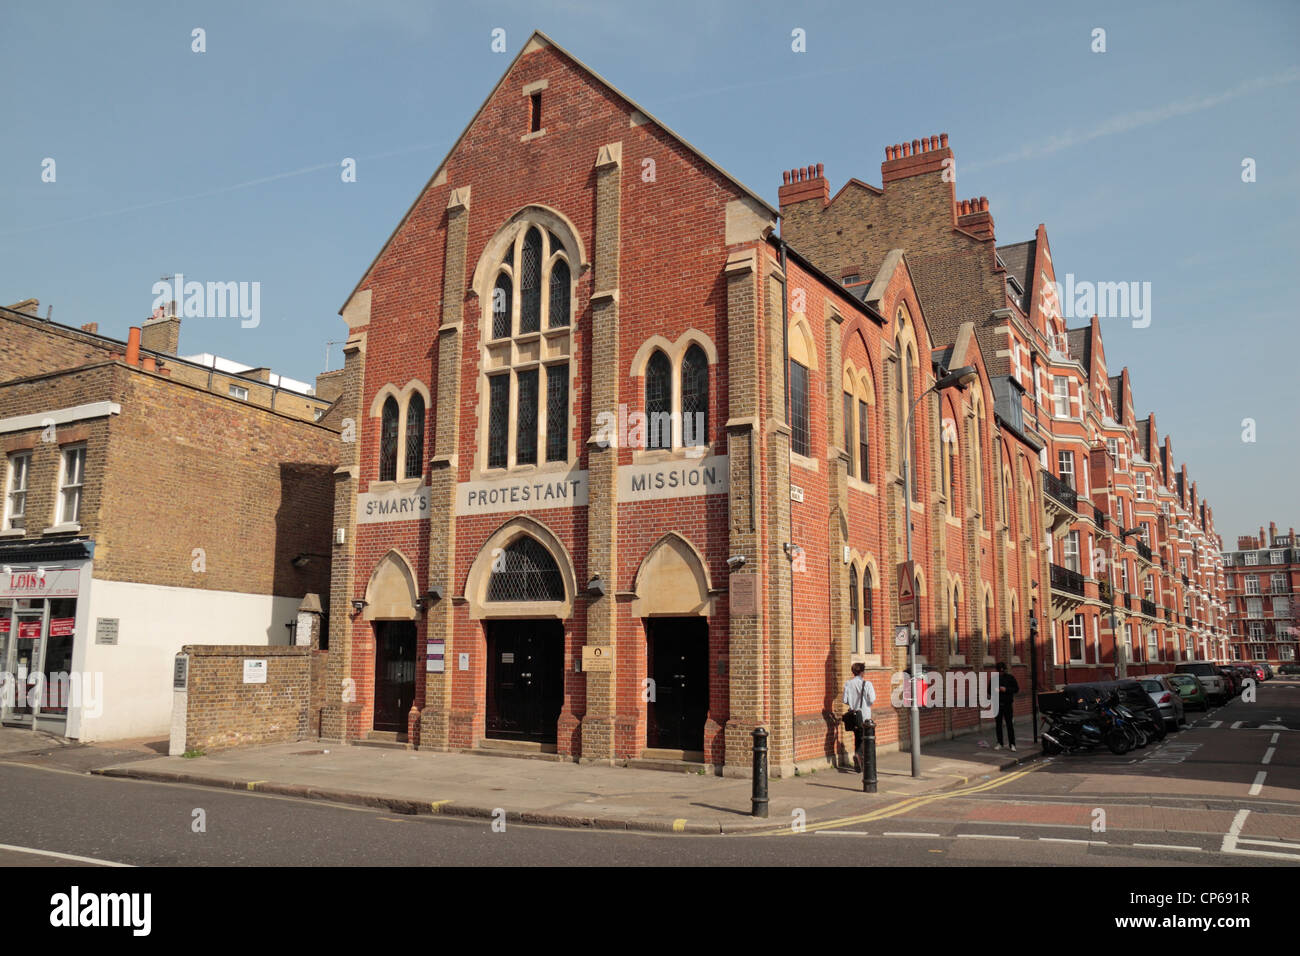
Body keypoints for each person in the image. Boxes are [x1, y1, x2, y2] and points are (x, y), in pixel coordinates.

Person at [841, 662, 876, 771]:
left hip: (854, 716)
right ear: (862, 672)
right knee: (866, 739)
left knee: (858, 737)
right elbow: (872, 699)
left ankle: (859, 759)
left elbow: (844, 700)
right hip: (865, 715)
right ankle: (859, 756)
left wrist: (853, 704)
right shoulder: (867, 684)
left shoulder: (848, 683)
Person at [993, 661, 1019, 752]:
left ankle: (1012, 744)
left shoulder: (1011, 678)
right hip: (997, 704)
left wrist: (1006, 689)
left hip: (1007, 704)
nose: (1001, 673)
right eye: (999, 671)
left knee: (1009, 725)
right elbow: (989, 691)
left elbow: (1016, 689)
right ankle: (1000, 743)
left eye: (1002, 671)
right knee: (998, 725)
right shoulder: (994, 679)